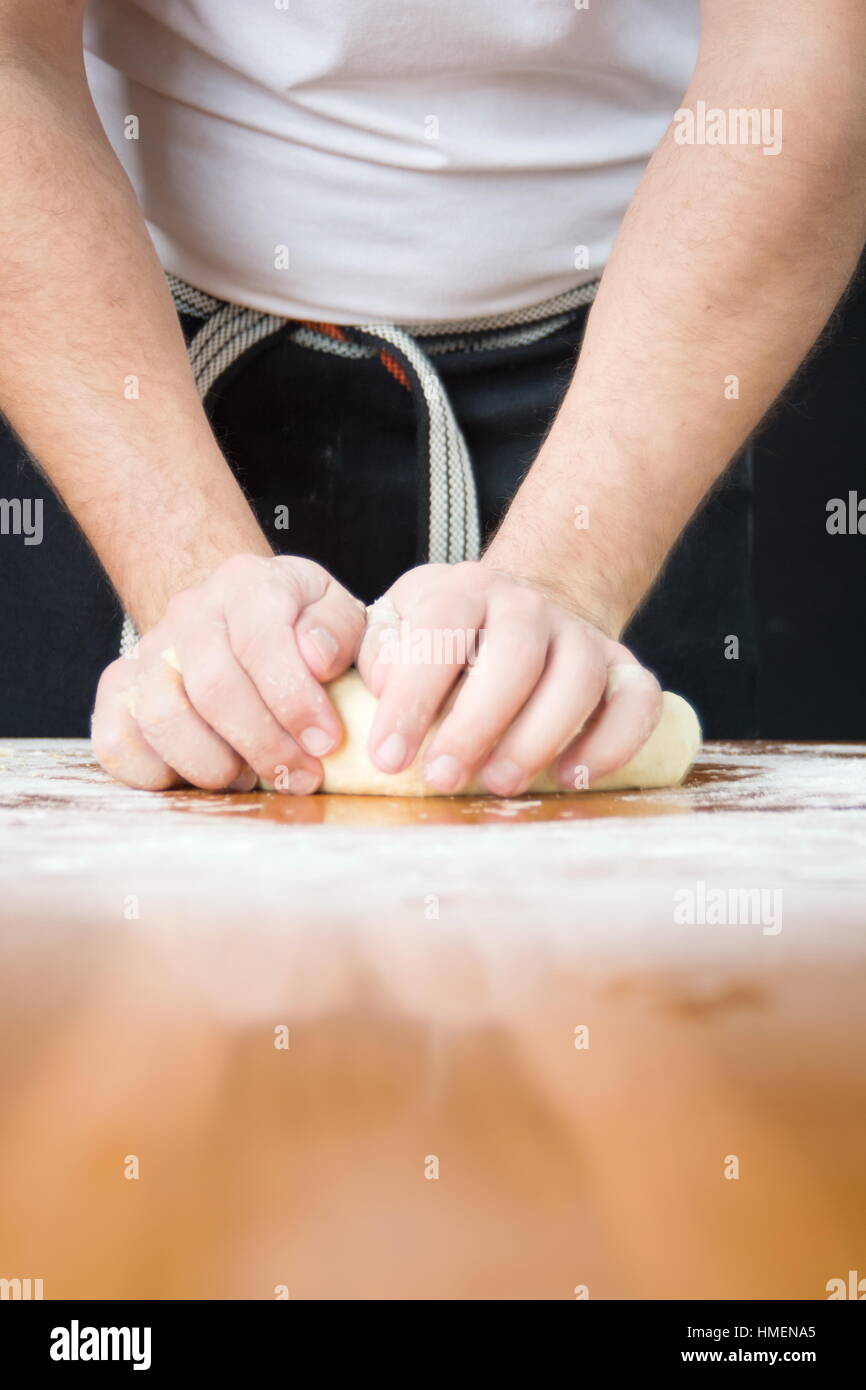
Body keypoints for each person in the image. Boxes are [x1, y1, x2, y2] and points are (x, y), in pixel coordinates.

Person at [0, 0, 864, 795]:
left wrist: (565, 574)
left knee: (605, 939)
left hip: (637, 370)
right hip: (120, 360)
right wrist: (184, 570)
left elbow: (806, 39)